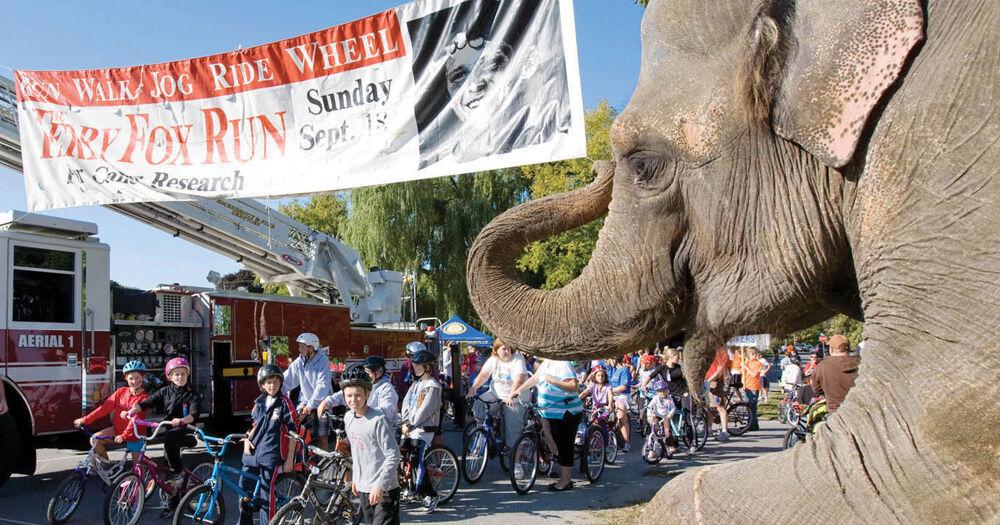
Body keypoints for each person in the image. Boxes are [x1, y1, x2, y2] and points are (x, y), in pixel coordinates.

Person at [128, 356, 202, 517]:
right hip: (169, 429)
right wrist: (135, 409)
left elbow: (194, 414)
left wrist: (182, 420)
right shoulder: (165, 391)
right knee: (166, 468)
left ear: (187, 375)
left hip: (185, 430)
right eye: (176, 374)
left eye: (183, 374)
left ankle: (178, 472)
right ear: (169, 376)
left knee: (170, 445)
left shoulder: (192, 394)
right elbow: (150, 401)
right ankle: (171, 504)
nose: (180, 377)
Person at [510, 356, 582, 491]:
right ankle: (551, 456)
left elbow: (573, 386)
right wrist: (518, 390)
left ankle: (566, 480)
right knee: (547, 434)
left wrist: (552, 380)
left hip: (565, 411)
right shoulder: (547, 363)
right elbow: (536, 378)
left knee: (564, 444)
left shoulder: (563, 363)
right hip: (548, 410)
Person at [343, 365, 401, 525]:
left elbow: (394, 455)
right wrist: (356, 477)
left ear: (368, 393)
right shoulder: (348, 418)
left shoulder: (377, 420)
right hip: (363, 487)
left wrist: (380, 486)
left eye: (358, 395)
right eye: (349, 396)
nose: (353, 400)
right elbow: (357, 451)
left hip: (385, 488)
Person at [239, 365, 297, 525]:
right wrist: (247, 440)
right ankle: (245, 522)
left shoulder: (285, 403)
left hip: (270, 454)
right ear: (262, 384)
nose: (273, 385)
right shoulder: (259, 402)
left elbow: (294, 431)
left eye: (276, 382)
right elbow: (254, 425)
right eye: (269, 382)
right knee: (244, 490)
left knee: (266, 495)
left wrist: (290, 459)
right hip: (252, 452)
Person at [75, 360, 149, 461]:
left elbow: (135, 420)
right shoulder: (121, 392)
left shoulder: (145, 398)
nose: (134, 381)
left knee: (138, 469)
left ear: (143, 377)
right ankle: (106, 467)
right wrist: (85, 420)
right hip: (117, 431)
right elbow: (104, 409)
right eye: (131, 378)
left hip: (135, 435)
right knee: (94, 439)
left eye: (137, 377)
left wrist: (124, 436)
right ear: (126, 378)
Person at [400, 342, 443, 511]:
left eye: (417, 364)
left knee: (417, 459)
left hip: (424, 430)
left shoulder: (433, 386)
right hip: (410, 427)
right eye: (414, 363)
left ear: (426, 367)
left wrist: (410, 424)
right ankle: (410, 488)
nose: (414, 366)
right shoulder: (416, 384)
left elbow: (425, 411)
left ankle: (430, 495)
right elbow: (406, 402)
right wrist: (404, 422)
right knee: (404, 455)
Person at [466, 339, 529, 455]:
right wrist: (473, 390)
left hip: (516, 396)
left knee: (513, 431)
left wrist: (511, 395)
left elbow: (518, 379)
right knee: (479, 406)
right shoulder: (493, 359)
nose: (507, 352)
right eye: (504, 349)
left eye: (509, 349)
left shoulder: (517, 358)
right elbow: (483, 375)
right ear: (496, 350)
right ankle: (483, 434)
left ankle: (517, 462)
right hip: (496, 393)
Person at [283, 332, 333, 450]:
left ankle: (322, 464)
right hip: (306, 402)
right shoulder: (300, 361)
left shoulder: (323, 360)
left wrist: (311, 405)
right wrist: (275, 391)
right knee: (295, 431)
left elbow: (322, 385)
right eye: (299, 346)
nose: (299, 349)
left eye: (302, 346)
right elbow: (288, 378)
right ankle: (301, 461)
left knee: (322, 436)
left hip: (322, 402)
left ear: (312, 347)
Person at [320, 356, 400, 427]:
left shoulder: (387, 389)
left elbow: (387, 409)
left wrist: (366, 414)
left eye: (368, 373)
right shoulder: (365, 383)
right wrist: (327, 402)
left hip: (382, 429)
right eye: (365, 372)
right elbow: (345, 394)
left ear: (378, 373)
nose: (366, 375)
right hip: (361, 426)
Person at [810, 334, 861, 412]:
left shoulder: (822, 366)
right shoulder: (862, 363)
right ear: (848, 348)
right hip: (861, 411)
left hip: (836, 412)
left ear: (831, 349)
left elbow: (817, 390)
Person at [702, 347, 730, 442]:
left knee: (720, 407)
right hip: (707, 381)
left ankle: (725, 431)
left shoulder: (721, 352)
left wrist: (709, 380)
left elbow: (719, 370)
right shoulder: (709, 351)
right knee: (709, 407)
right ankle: (709, 428)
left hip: (715, 382)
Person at [606, 357, 632, 452]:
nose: (607, 361)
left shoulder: (624, 370)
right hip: (610, 395)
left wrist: (609, 391)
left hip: (622, 396)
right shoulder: (610, 370)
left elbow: (623, 387)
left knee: (621, 418)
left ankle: (626, 442)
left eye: (609, 359)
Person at [645, 379, 676, 457]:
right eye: (660, 391)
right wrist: (651, 414)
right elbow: (650, 406)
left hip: (665, 416)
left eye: (664, 391)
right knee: (654, 431)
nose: (662, 393)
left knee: (667, 431)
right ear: (657, 392)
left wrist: (670, 414)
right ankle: (652, 450)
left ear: (667, 390)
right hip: (657, 416)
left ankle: (670, 445)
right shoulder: (655, 398)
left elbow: (673, 408)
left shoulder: (669, 398)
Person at [740, 347, 766, 432]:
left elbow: (754, 375)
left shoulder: (758, 363)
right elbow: (743, 374)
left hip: (754, 387)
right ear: (748, 355)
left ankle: (751, 425)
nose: (754, 355)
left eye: (755, 354)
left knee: (752, 407)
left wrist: (746, 367)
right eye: (752, 354)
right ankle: (753, 424)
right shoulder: (747, 362)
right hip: (747, 386)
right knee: (749, 407)